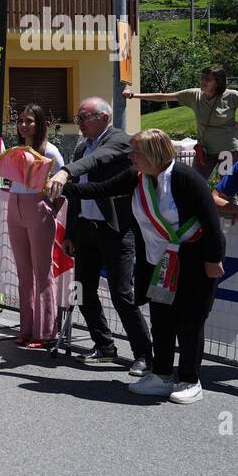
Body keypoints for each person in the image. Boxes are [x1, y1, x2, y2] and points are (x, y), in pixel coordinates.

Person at [61, 130, 225, 404]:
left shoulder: (185, 178)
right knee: (162, 320)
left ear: (152, 154)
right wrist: (59, 185)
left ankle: (189, 379)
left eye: (135, 152)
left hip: (194, 262)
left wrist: (213, 260)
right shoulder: (137, 177)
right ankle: (160, 374)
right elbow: (100, 189)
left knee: (189, 322)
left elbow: (211, 222)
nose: (130, 156)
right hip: (157, 262)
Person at [48, 98, 153, 373]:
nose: (79, 122)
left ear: (104, 117)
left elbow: (97, 161)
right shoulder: (83, 146)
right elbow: (77, 191)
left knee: (121, 295)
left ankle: (144, 354)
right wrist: (70, 231)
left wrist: (64, 171)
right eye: (78, 117)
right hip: (85, 230)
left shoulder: (120, 141)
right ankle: (104, 345)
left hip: (115, 231)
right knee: (81, 292)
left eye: (84, 117)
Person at [123, 66, 238, 178]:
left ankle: (229, 216)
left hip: (227, 150)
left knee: (226, 185)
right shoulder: (194, 95)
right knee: (195, 181)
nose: (203, 82)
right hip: (204, 151)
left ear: (217, 83)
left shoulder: (232, 96)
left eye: (208, 80)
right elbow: (163, 97)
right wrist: (133, 95)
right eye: (202, 78)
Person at [5, 104, 65, 351]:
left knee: (42, 272)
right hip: (14, 205)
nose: (23, 125)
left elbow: (63, 186)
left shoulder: (51, 151)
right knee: (23, 272)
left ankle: (46, 331)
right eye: (20, 121)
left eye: (29, 121)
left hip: (38, 208)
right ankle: (26, 328)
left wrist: (50, 209)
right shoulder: (17, 150)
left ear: (40, 124)